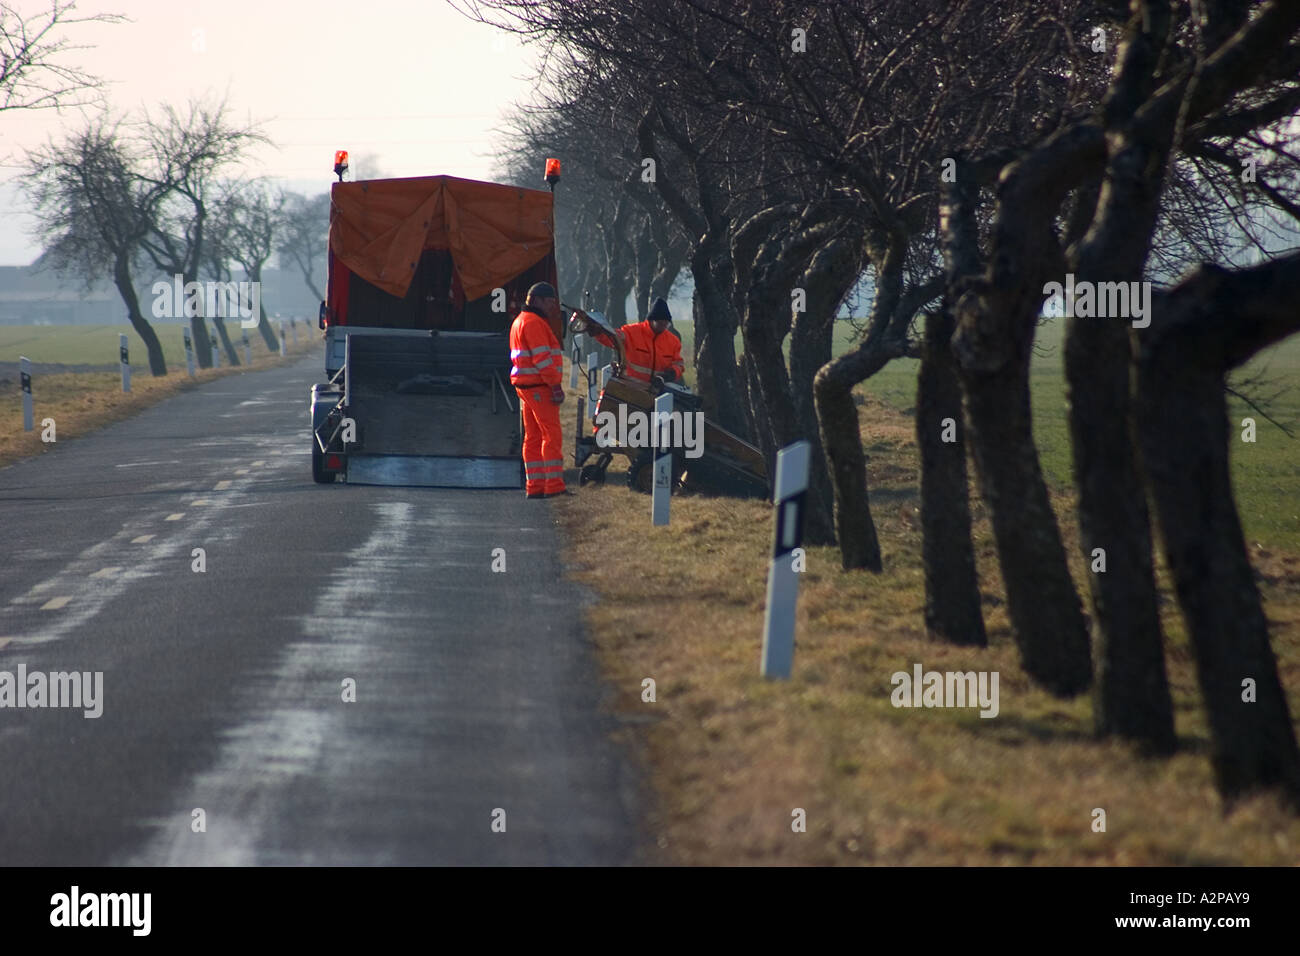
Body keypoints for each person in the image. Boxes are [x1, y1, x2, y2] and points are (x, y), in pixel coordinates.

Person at [509, 282, 568, 498]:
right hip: (540, 387)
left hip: (526, 387)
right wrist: (555, 386)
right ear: (536, 300)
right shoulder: (534, 323)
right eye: (549, 301)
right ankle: (554, 486)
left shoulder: (519, 322)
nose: (552, 306)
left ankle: (534, 486)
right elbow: (542, 359)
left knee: (532, 437)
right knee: (551, 435)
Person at [586, 297, 685, 388]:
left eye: (666, 324)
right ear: (651, 320)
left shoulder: (673, 341)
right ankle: (622, 409)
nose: (663, 327)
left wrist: (670, 374)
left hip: (655, 393)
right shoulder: (631, 332)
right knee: (622, 408)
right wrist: (598, 333)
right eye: (660, 323)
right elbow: (613, 338)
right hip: (627, 389)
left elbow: (678, 364)